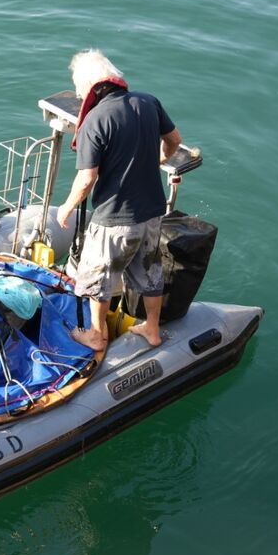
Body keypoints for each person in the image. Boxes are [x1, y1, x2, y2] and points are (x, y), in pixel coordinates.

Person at [55, 49, 182, 350]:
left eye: (77, 87)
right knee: (150, 270)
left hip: (114, 219)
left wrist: (66, 207)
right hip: (151, 211)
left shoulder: (94, 121)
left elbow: (87, 178)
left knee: (98, 276)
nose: (76, 93)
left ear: (89, 86)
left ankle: (98, 336)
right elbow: (175, 141)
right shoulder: (148, 102)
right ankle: (152, 329)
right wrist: (156, 161)